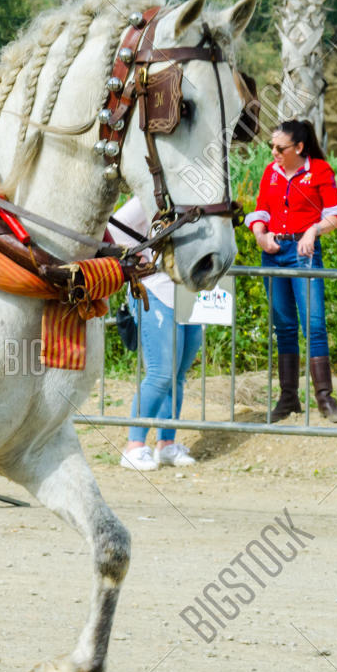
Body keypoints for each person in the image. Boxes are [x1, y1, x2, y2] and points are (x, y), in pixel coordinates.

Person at [244, 120, 337, 423]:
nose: (274, 152)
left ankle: (325, 399)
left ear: (298, 148)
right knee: (284, 327)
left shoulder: (320, 171)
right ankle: (288, 398)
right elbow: (261, 210)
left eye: (280, 148)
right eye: (271, 147)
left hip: (304, 257)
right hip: (273, 255)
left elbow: (336, 214)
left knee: (314, 324)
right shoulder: (270, 173)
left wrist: (312, 231)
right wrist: (260, 234)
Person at [109, 196, 204, 471]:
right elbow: (112, 228)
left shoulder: (197, 197)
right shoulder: (147, 199)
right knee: (161, 374)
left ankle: (166, 443)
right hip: (154, 290)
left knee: (177, 376)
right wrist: (138, 257)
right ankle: (134, 446)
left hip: (187, 291)